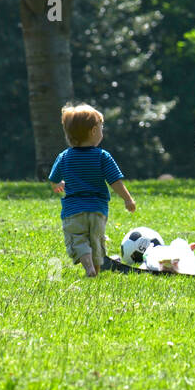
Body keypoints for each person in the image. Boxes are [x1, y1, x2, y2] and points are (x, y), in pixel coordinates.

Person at [48, 102, 136, 277]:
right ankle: (95, 269)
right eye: (101, 128)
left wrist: (58, 186)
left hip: (73, 211)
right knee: (97, 242)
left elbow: (53, 179)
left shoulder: (64, 157)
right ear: (93, 131)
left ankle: (88, 267)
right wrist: (127, 199)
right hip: (97, 210)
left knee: (78, 240)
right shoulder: (102, 156)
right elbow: (115, 181)